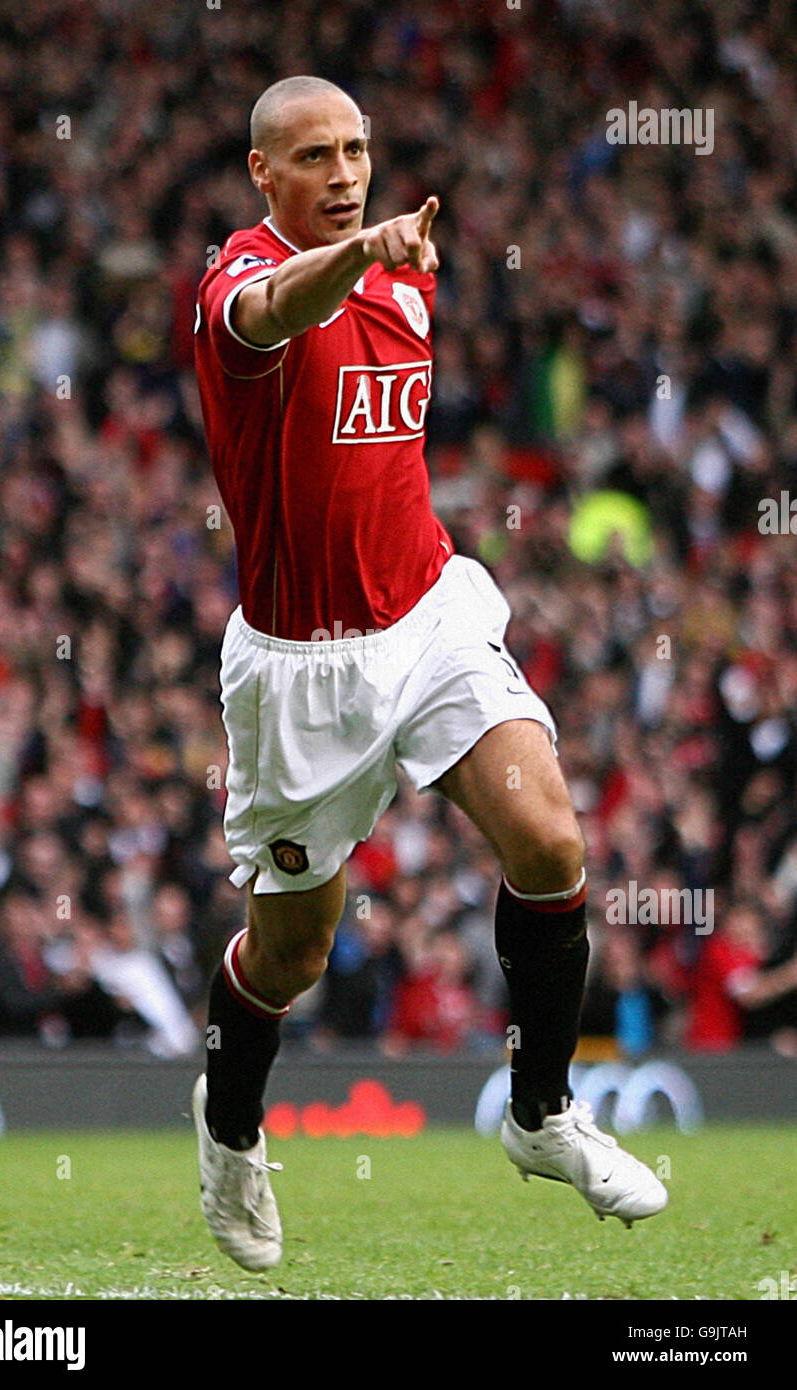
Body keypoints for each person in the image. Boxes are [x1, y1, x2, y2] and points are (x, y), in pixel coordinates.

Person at [192, 75, 667, 1271]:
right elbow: (275, 315)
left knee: (551, 842)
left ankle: (541, 1113)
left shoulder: (412, 265)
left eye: (356, 149)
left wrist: (373, 251)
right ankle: (229, 1126)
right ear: (264, 173)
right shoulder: (236, 287)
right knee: (292, 951)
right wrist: (355, 251)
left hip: (425, 617)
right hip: (300, 672)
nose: (345, 171)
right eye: (314, 155)